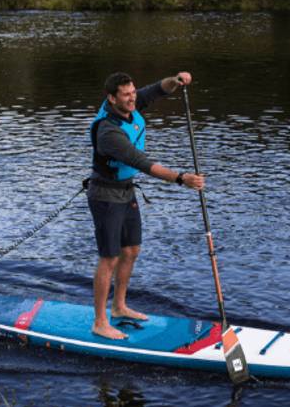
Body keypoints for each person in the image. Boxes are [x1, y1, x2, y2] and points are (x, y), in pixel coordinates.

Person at [88, 71, 205, 340]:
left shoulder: (128, 104)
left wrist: (175, 80)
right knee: (110, 257)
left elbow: (156, 90)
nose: (133, 99)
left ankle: (119, 307)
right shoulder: (108, 131)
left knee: (131, 250)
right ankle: (100, 321)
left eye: (133, 93)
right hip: (105, 196)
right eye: (126, 95)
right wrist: (180, 178)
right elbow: (143, 163)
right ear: (111, 98)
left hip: (126, 191)